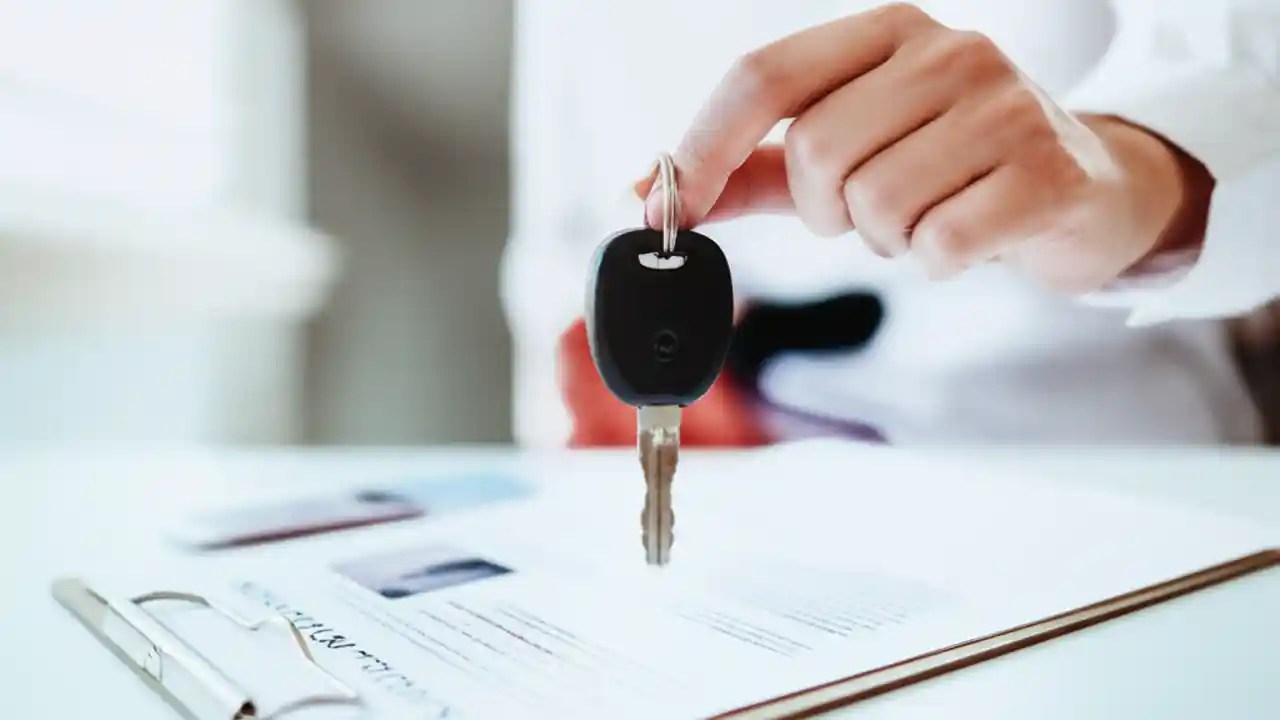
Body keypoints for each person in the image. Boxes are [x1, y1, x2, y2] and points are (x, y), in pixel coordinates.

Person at [502, 1, 1280, 447]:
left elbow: (1252, 84)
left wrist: (1121, 176)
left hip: (1083, 455)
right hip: (724, 477)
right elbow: (558, 253)